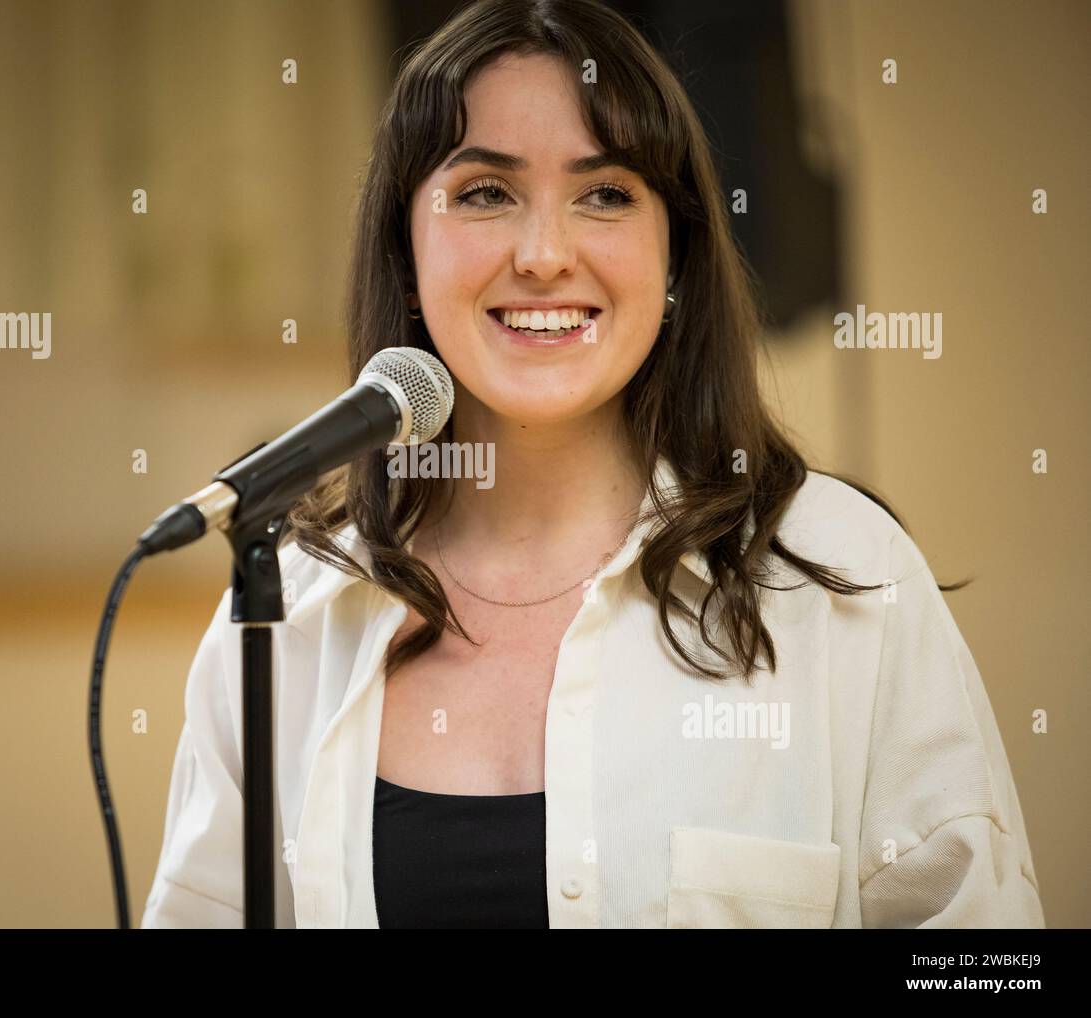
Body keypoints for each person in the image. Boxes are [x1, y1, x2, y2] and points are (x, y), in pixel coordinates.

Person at [141, 0, 1044, 928]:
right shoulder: (284, 615)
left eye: (605, 193)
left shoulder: (850, 579)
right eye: (486, 193)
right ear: (405, 255)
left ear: (676, 257)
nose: (543, 256)